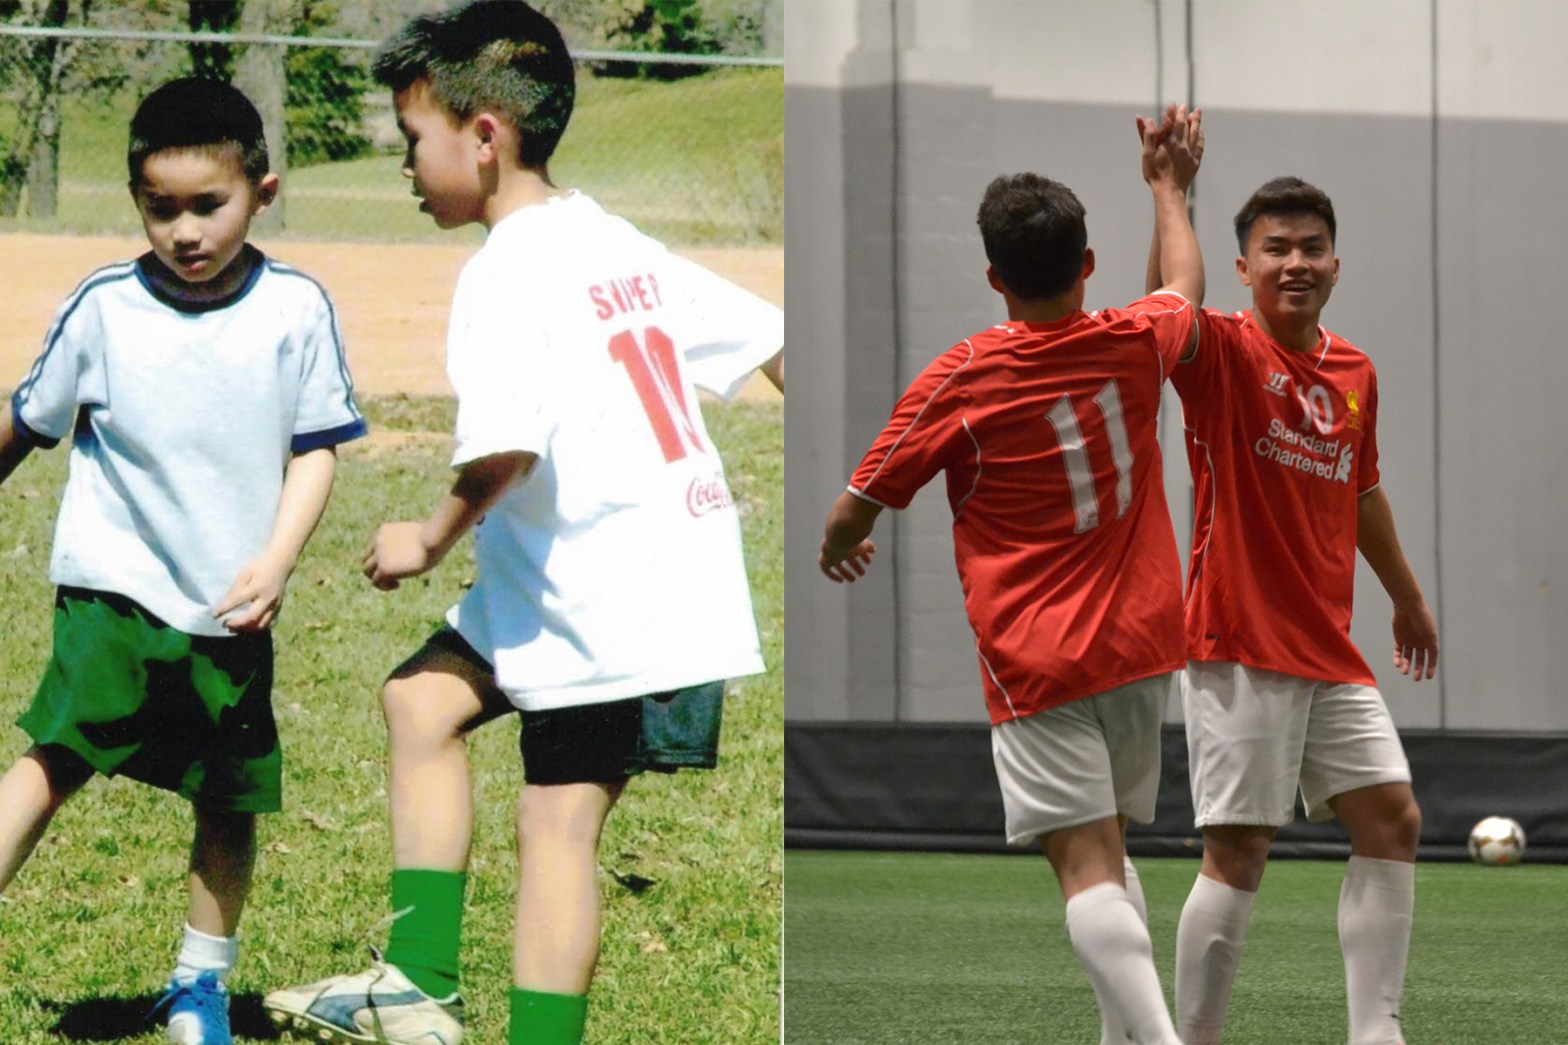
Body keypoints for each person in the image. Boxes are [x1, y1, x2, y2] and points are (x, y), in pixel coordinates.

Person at [262, 3, 783, 1044]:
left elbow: (506, 449)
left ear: (485, 135)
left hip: (614, 594)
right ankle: (417, 985)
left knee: (556, 822)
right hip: (592, 577)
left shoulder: (506, 271)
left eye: (414, 137)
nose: (406, 165)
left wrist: (425, 536)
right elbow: (773, 340)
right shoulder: (610, 239)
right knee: (420, 701)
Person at [818, 106, 1204, 1045]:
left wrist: (840, 545)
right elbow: (1184, 285)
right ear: (1088, 263)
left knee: (1083, 864)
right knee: (1109, 848)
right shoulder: (1136, 339)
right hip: (1144, 643)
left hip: (1039, 658)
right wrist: (1168, 187)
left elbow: (859, 501)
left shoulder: (964, 377)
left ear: (994, 276)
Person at [0, 78, 366, 1045]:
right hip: (112, 588)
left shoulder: (295, 309)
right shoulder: (104, 307)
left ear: (263, 192)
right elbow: (26, 422)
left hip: (228, 601)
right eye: (160, 208)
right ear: (137, 200)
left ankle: (199, 988)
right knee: (56, 758)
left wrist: (278, 559)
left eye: (209, 204)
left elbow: (315, 449)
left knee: (227, 796)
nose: (185, 231)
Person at [1147, 177, 1440, 1045]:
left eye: (1311, 247)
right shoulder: (1222, 352)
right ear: (1243, 268)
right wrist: (1169, 193)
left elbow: (1362, 489)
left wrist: (1406, 597)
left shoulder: (1355, 372)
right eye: (1275, 249)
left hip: (1327, 645)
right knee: (1238, 848)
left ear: (1336, 265)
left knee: (1392, 817)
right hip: (1239, 638)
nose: (1295, 263)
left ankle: (1376, 1032)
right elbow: (1165, 306)